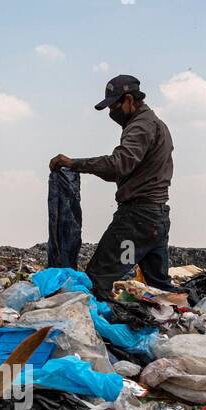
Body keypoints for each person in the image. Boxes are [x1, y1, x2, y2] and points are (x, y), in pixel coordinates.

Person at [49, 74, 174, 298]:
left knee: (99, 277)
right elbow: (123, 170)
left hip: (137, 220)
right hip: (157, 220)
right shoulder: (156, 125)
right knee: (160, 289)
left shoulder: (140, 126)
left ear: (128, 100)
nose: (111, 113)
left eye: (114, 106)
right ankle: (180, 323)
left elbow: (118, 165)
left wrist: (74, 164)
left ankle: (101, 330)